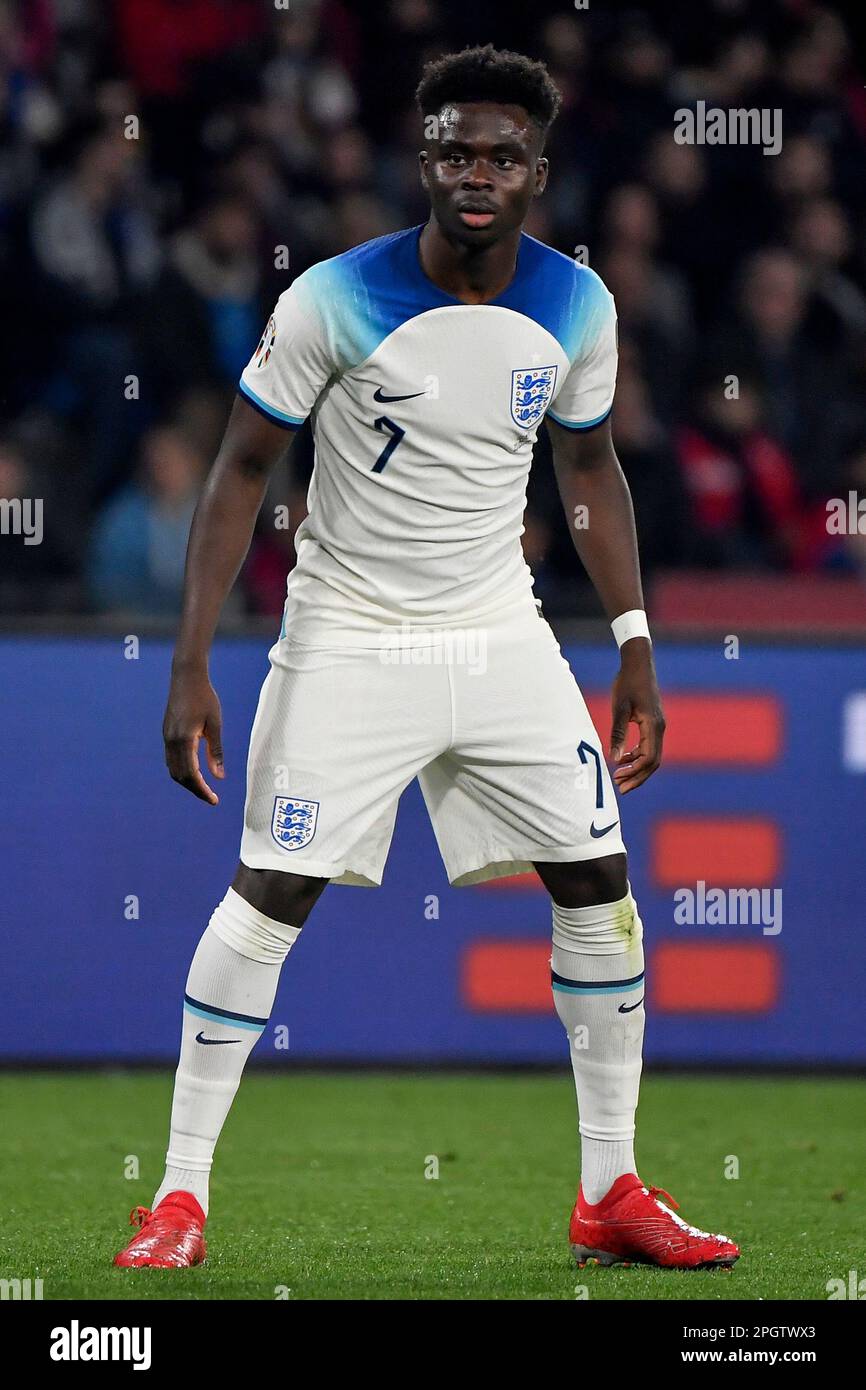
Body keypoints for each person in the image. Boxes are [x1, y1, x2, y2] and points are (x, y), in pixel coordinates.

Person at [114, 45, 738, 1273]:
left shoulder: (577, 306)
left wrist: (633, 646)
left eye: (502, 156)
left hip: (500, 629)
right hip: (348, 633)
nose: (476, 173)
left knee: (600, 895)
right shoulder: (330, 299)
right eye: (455, 150)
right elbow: (243, 469)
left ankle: (606, 1186)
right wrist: (190, 663)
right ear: (425, 160)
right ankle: (177, 1197)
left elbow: (587, 468)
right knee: (269, 896)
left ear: (535, 174)